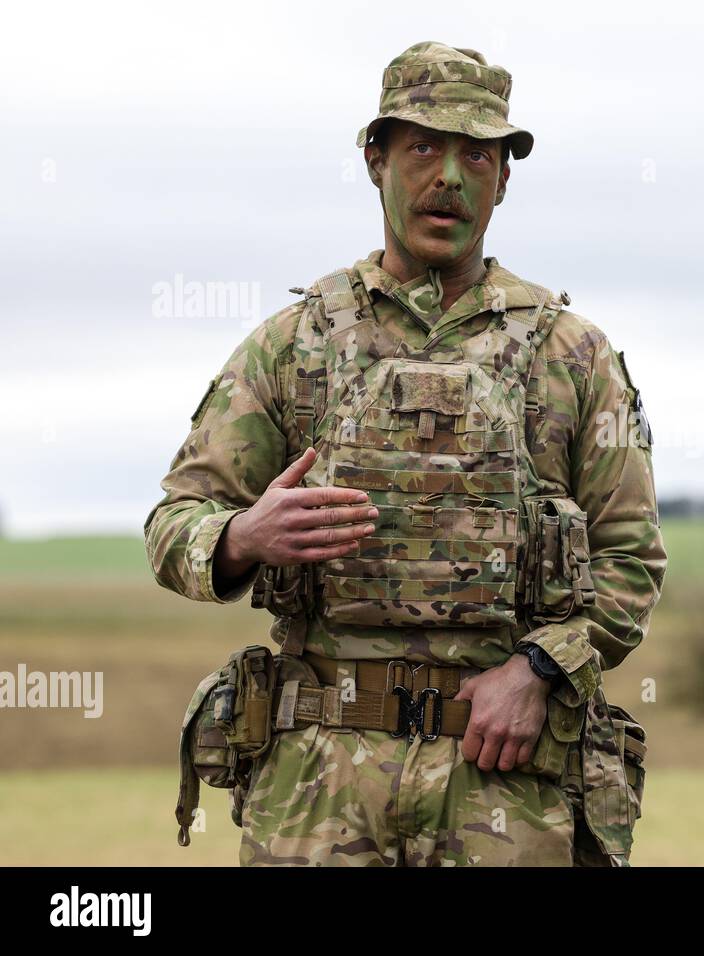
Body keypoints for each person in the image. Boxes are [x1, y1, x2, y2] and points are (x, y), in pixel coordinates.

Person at [148, 42, 665, 866]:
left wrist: (538, 671)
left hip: (505, 784)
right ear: (375, 160)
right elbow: (173, 525)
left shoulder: (571, 355)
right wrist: (246, 535)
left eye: (478, 154)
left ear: (503, 177)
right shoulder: (294, 346)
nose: (449, 178)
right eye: (423, 147)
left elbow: (632, 562)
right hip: (316, 791)